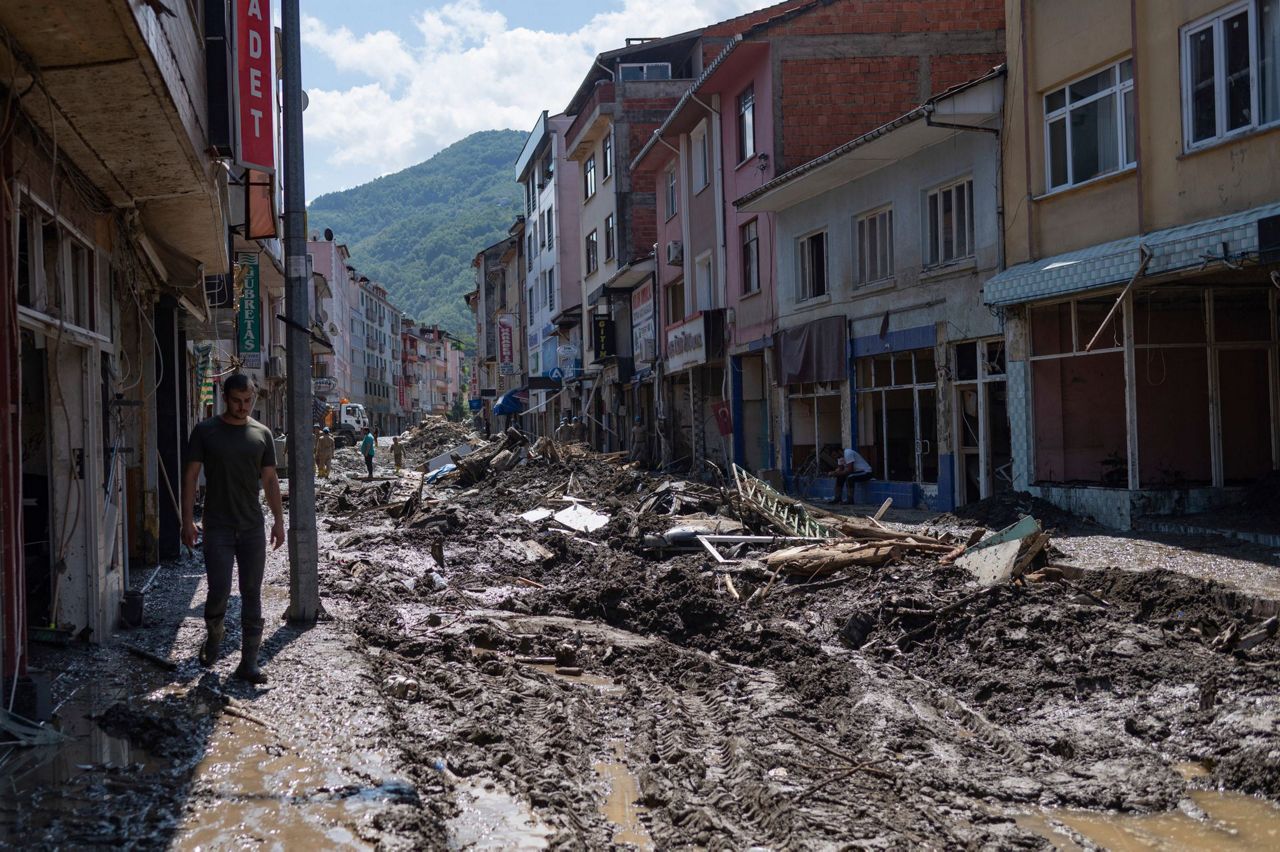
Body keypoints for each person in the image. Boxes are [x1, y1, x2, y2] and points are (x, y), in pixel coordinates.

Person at [181, 373, 283, 684]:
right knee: (219, 590)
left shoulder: (262, 434)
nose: (243, 407)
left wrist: (279, 520)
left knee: (252, 592)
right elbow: (191, 476)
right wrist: (187, 520)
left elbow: (269, 480)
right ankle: (215, 634)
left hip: (252, 525)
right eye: (237, 401)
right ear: (226, 398)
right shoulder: (206, 431)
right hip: (218, 527)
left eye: (248, 401)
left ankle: (248, 662)